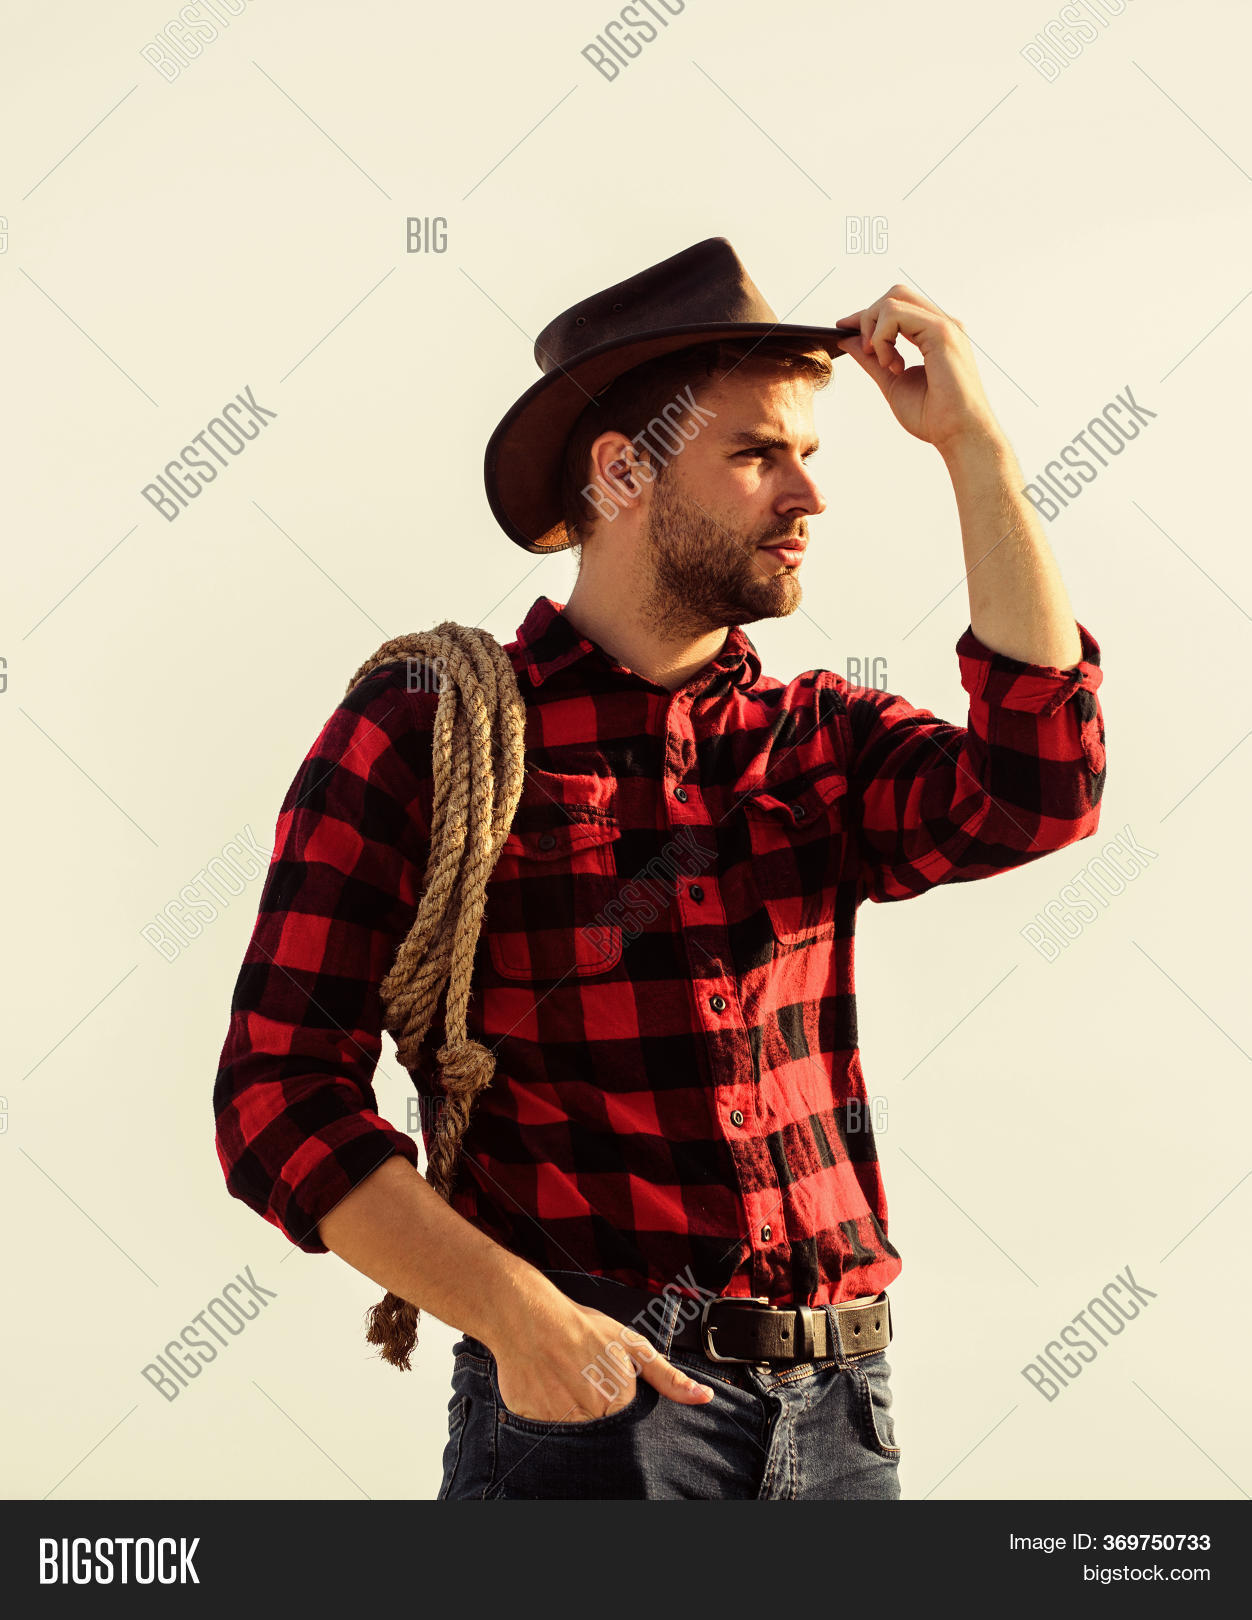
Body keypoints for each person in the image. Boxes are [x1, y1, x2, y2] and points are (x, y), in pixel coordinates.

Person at [213, 238, 1106, 1499]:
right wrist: (524, 1322)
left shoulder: (814, 738)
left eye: (809, 455)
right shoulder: (431, 724)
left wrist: (978, 451)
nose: (807, 496)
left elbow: (1043, 787)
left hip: (849, 1418)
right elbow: (276, 1098)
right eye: (757, 456)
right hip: (600, 1414)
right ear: (622, 470)